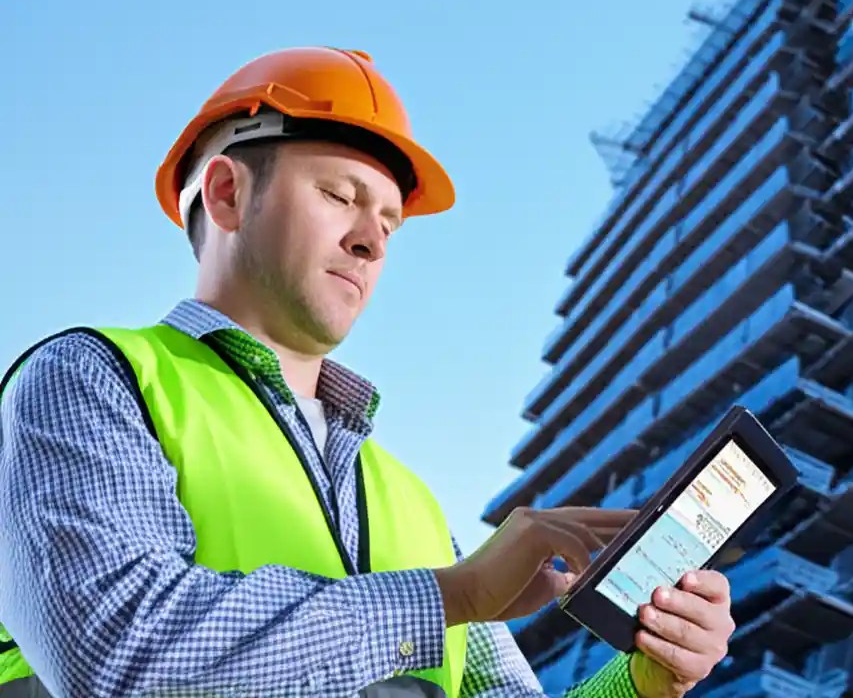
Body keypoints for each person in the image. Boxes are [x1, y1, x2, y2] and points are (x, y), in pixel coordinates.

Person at [0, 46, 735, 697]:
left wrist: (645, 681)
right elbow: (113, 651)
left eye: (388, 223)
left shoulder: (409, 504)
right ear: (227, 194)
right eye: (340, 196)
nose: (371, 243)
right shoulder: (92, 381)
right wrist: (453, 594)